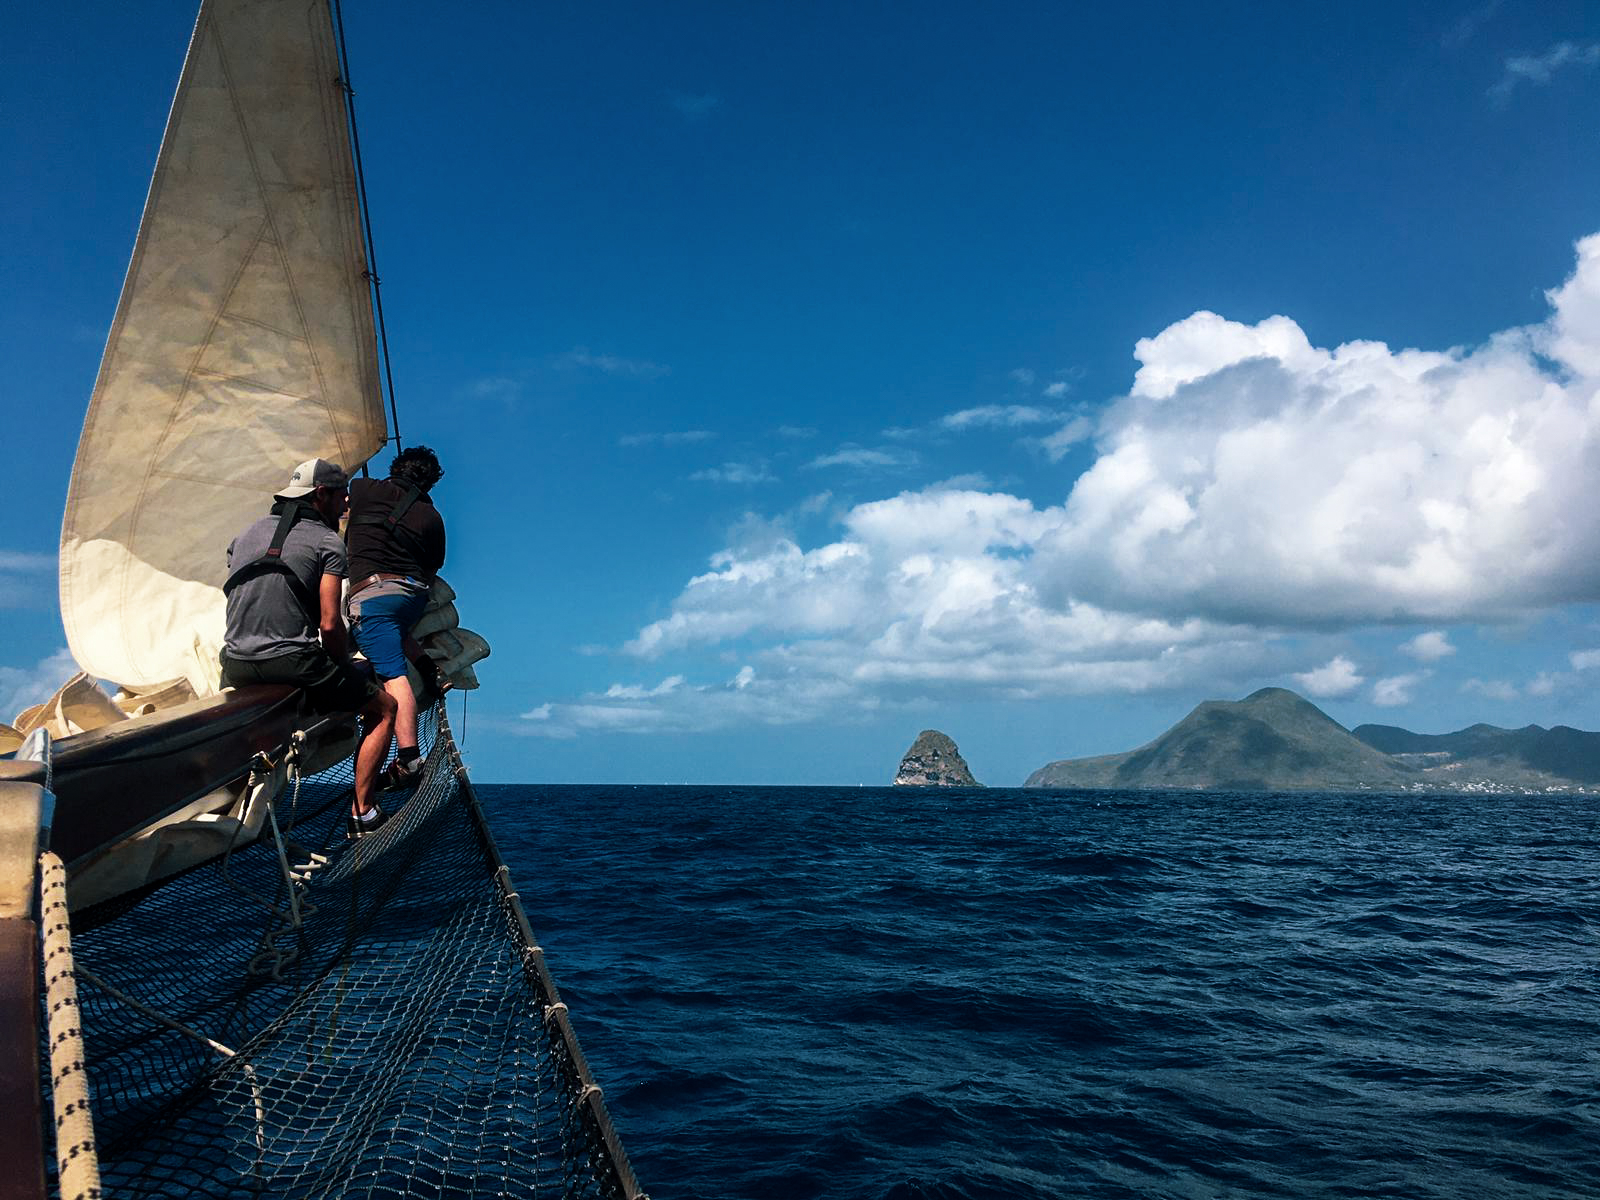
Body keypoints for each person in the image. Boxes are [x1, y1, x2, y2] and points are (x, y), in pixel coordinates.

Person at [220, 458, 398, 839]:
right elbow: (331, 623)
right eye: (342, 498)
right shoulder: (328, 542)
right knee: (385, 708)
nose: (346, 506)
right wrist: (345, 668)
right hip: (293, 661)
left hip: (234, 662)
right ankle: (363, 813)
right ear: (322, 495)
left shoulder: (245, 535)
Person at [345, 444, 449, 791]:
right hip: (412, 596)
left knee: (393, 678)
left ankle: (408, 757)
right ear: (430, 483)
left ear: (396, 467)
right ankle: (428, 668)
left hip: (372, 598)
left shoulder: (362, 489)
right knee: (393, 630)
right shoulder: (432, 518)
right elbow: (433, 569)